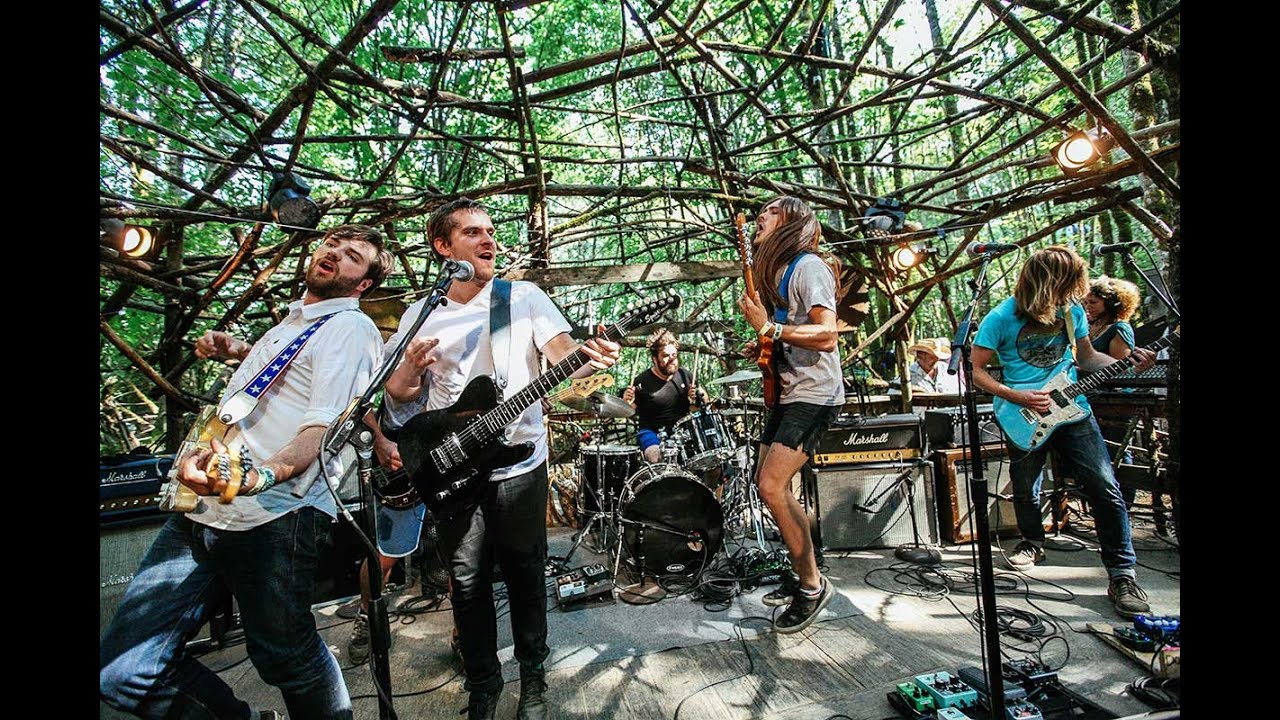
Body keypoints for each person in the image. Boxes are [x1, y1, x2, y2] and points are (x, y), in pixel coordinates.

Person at [100, 225, 393, 719]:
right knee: (123, 671)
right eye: (331, 246)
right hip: (204, 509)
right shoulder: (290, 327)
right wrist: (236, 349)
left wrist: (261, 476)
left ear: (362, 284)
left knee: (287, 658)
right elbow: (282, 384)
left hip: (276, 513)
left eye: (352, 257)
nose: (334, 255)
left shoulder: (351, 328)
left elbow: (326, 428)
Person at [377, 197, 620, 720]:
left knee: (527, 575)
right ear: (444, 247)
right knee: (466, 584)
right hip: (449, 465)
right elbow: (397, 395)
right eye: (471, 232)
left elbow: (564, 360)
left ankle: (533, 680)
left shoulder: (522, 296)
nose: (488, 240)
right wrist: (405, 376)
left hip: (517, 464)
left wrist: (591, 355)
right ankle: (483, 685)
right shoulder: (424, 313)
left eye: (490, 231)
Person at [970, 245, 1155, 618]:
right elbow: (974, 371)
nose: (1080, 291)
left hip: (1074, 411)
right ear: (1051, 282)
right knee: (1025, 485)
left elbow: (1087, 358)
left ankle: (1122, 574)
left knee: (1105, 486)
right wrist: (1015, 394)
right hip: (1022, 413)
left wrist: (1126, 363)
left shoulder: (1071, 312)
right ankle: (1031, 542)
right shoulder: (1001, 317)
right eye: (1072, 281)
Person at [737, 196, 842, 634]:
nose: (761, 215)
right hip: (787, 393)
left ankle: (813, 587)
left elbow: (828, 334)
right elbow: (789, 334)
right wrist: (767, 345)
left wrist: (770, 329)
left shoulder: (809, 267)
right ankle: (804, 570)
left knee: (770, 484)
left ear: (792, 221)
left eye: (772, 211)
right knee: (771, 488)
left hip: (815, 395)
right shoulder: (780, 274)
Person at [622, 328, 711, 463]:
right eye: (665, 355)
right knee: (658, 458)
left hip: (682, 432)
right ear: (654, 359)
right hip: (651, 433)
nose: (671, 360)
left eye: (674, 355)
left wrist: (699, 394)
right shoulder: (641, 381)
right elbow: (629, 409)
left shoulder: (685, 376)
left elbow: (705, 402)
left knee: (707, 457)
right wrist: (626, 401)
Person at [1084, 276, 1140, 361]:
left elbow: (1119, 369)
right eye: (1085, 302)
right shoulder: (1087, 324)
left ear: (1110, 304)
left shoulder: (1119, 329)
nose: (1087, 307)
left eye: (1093, 302)